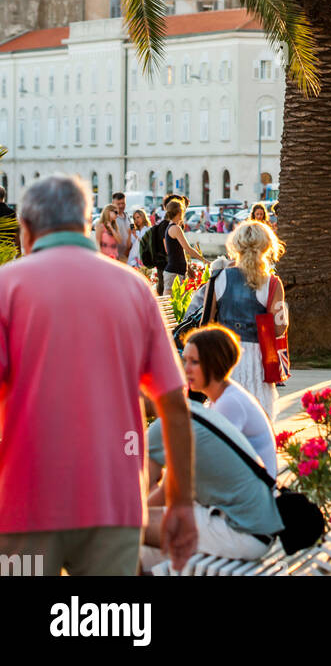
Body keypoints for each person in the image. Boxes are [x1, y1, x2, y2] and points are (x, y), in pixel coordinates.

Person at [0, 174, 195, 575]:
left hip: (26, 502)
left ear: (27, 228)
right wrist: (180, 503)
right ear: (87, 220)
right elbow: (174, 405)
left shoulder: (7, 287)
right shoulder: (134, 289)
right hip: (115, 504)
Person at [142, 395, 283, 572]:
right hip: (256, 527)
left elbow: (137, 490)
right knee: (143, 551)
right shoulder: (192, 411)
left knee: (127, 527)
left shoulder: (166, 424)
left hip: (243, 531)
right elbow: (167, 492)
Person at [211, 221, 288, 418]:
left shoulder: (219, 278)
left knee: (225, 415)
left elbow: (208, 322)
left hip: (225, 355)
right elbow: (279, 328)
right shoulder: (271, 284)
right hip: (257, 358)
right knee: (258, 414)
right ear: (267, 247)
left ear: (235, 246)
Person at [182, 325, 276, 474]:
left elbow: (211, 460)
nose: (186, 369)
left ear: (214, 364)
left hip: (251, 494)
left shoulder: (230, 402)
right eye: (185, 360)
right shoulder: (220, 398)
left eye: (194, 362)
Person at [163, 195, 205, 295]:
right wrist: (204, 260)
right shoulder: (176, 228)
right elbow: (188, 249)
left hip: (177, 271)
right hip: (174, 272)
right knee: (168, 304)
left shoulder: (172, 227)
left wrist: (188, 267)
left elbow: (178, 251)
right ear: (180, 212)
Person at [112, 190, 132, 263]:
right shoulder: (111, 218)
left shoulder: (127, 216)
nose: (121, 206)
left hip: (127, 256)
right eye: (118, 204)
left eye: (123, 203)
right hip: (115, 257)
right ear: (113, 204)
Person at [0, 185, 19, 257]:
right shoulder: (11, 212)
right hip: (8, 251)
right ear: (4, 197)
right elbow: (16, 233)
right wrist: (19, 253)